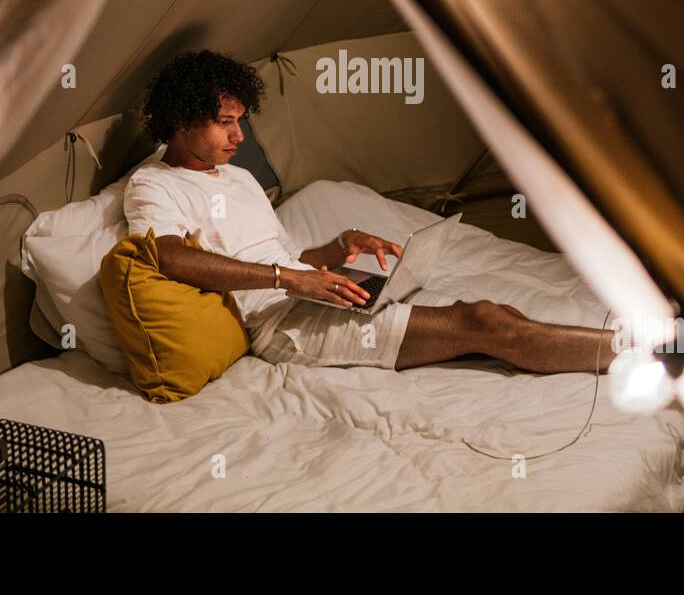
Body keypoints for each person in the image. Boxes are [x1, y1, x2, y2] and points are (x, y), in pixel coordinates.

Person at [124, 50, 619, 373]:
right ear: (182, 121)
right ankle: (649, 358)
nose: (238, 137)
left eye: (241, 122)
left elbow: (290, 255)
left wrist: (337, 249)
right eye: (225, 124)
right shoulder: (153, 185)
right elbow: (168, 258)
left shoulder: (236, 177)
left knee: (498, 314)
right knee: (488, 322)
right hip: (279, 328)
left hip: (304, 299)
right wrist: (289, 279)